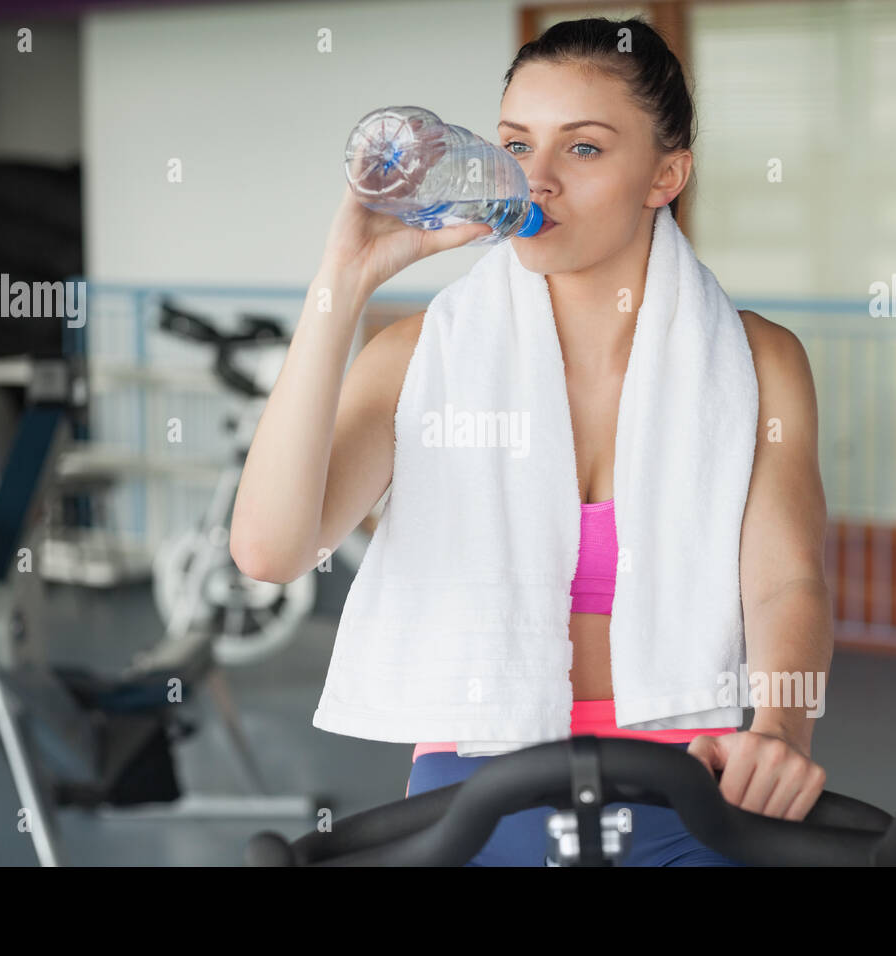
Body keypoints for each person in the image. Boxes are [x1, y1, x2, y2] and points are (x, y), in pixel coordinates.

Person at [231, 16, 834, 866]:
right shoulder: (417, 357)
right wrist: (344, 278)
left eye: (583, 149)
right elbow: (268, 550)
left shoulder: (756, 360)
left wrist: (780, 728)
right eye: (517, 143)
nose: (537, 179)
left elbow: (785, 581)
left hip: (695, 770)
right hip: (476, 776)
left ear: (666, 175)